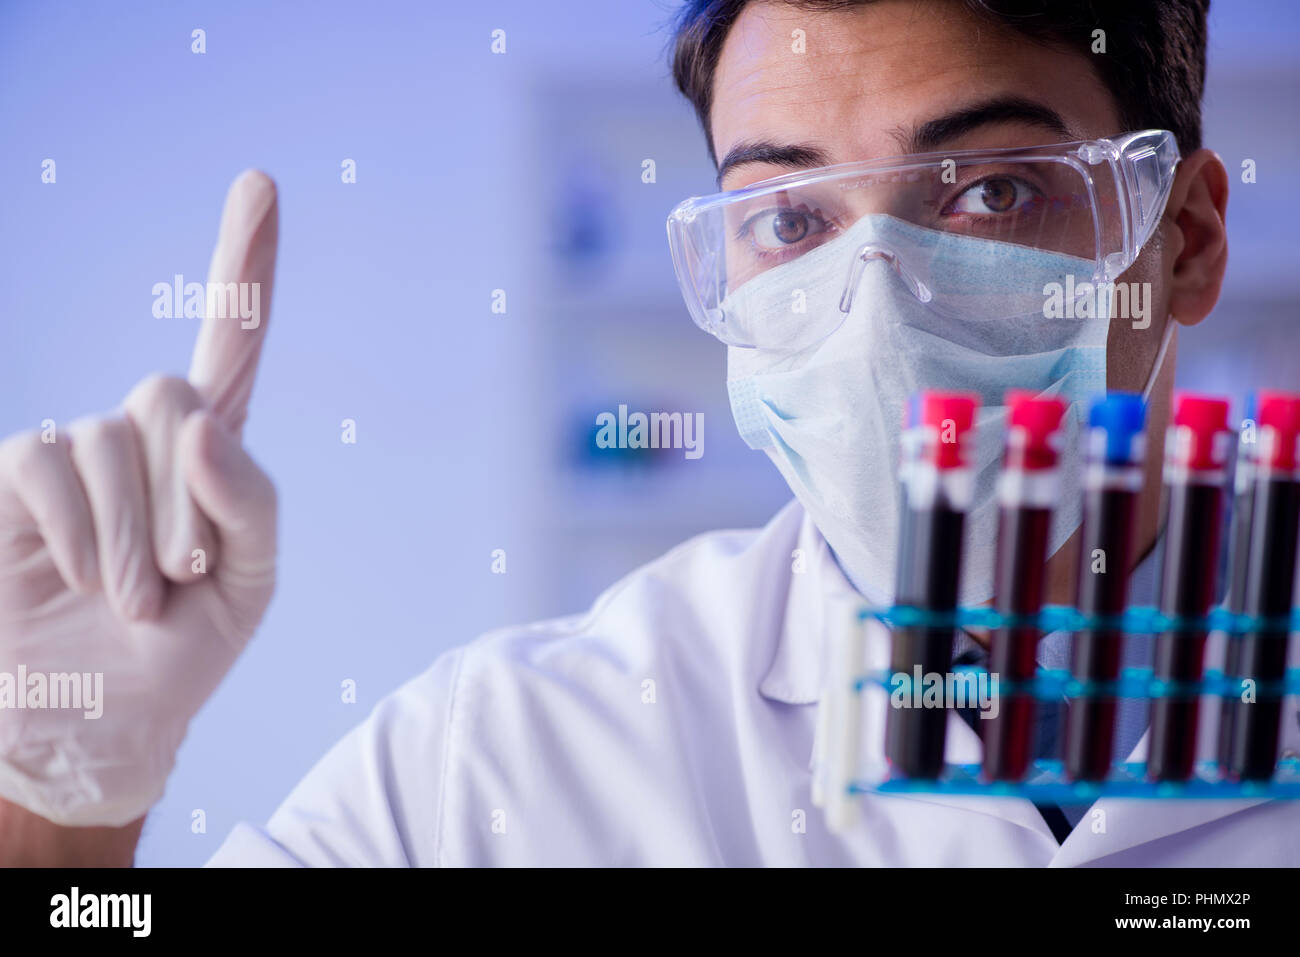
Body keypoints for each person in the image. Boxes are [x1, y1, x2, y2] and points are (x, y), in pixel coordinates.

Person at [1, 0, 1295, 867]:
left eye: (990, 190)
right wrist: (62, 812)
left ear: (1179, 236)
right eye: (789, 218)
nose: (874, 310)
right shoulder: (506, 755)